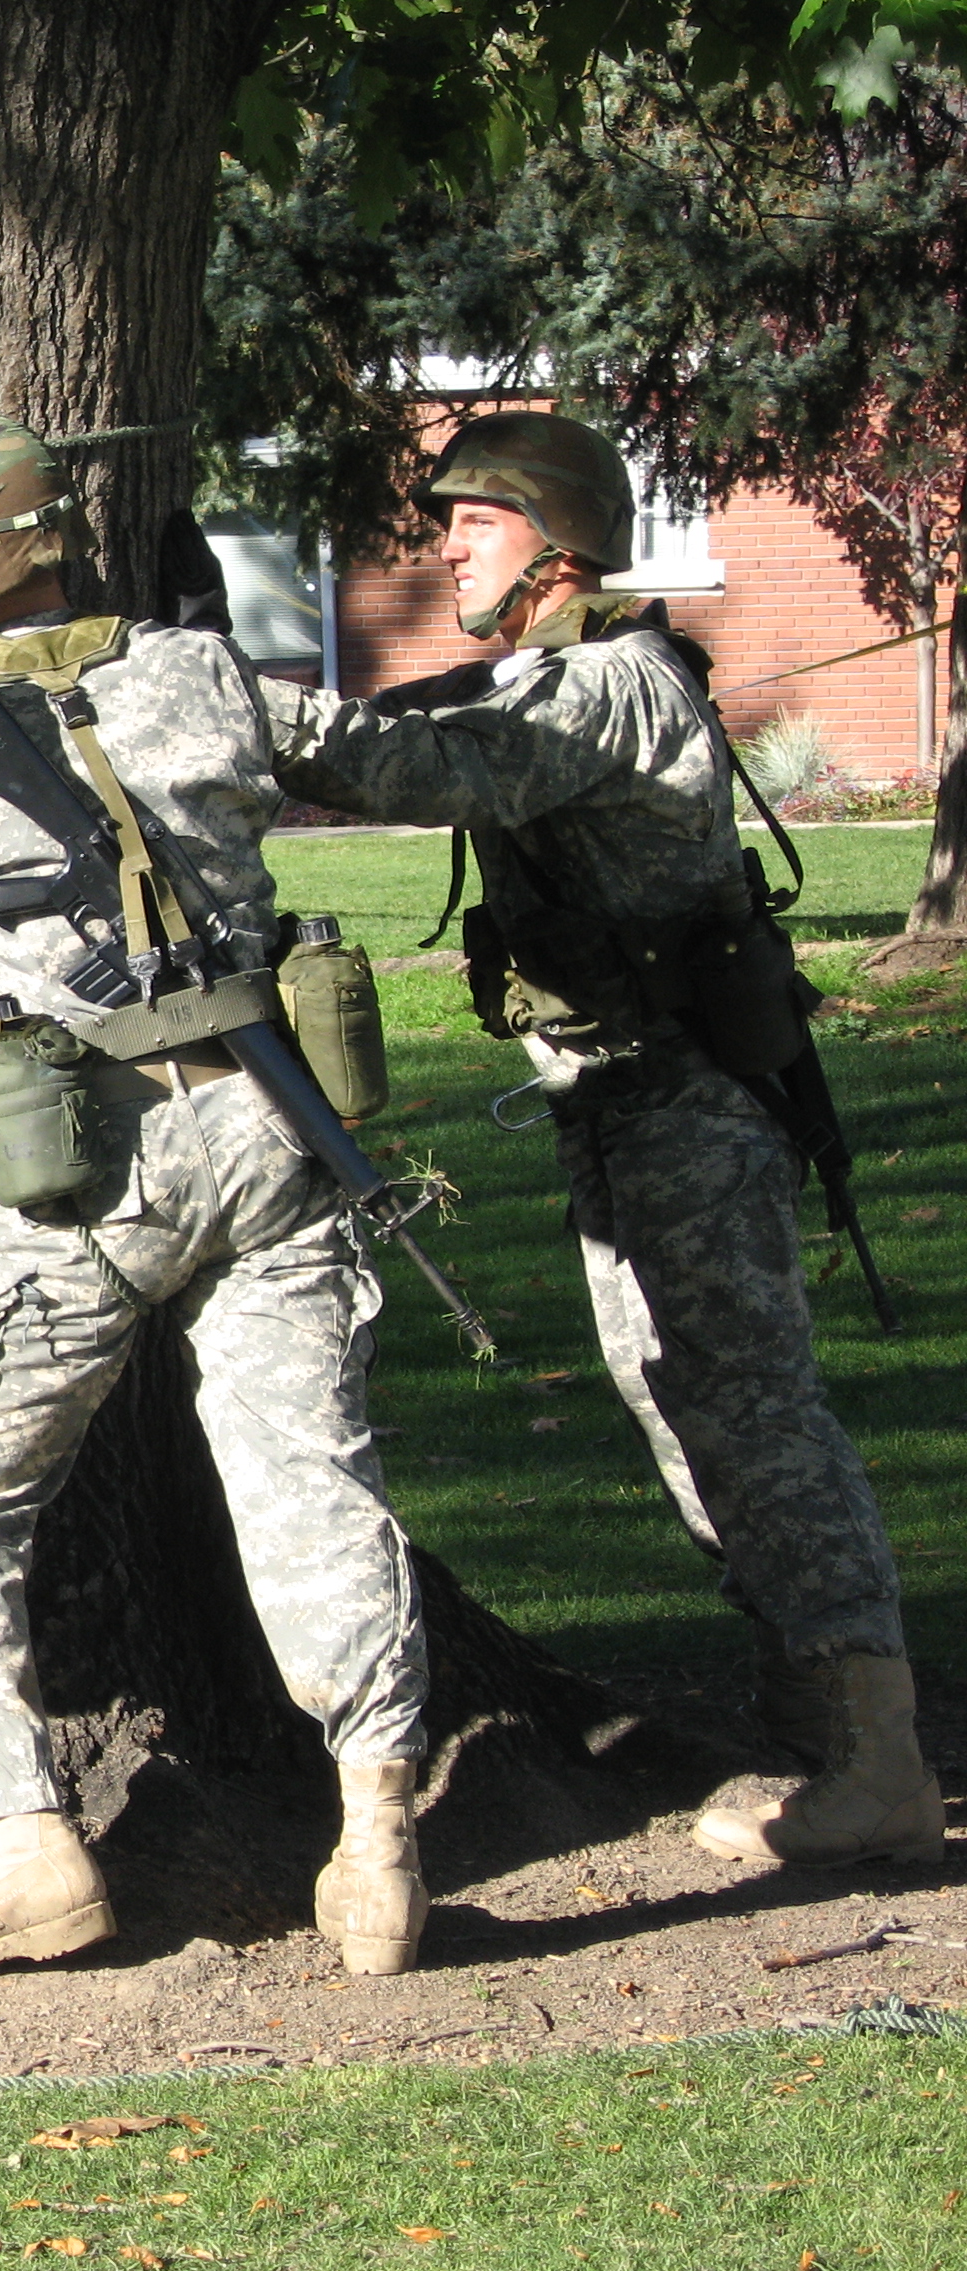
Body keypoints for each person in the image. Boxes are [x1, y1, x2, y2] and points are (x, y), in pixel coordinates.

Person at [0, 416, 437, 1979]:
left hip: (87, 1174)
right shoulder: (199, 677)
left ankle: (23, 1848)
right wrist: (196, 632)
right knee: (311, 1485)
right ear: (57, 537)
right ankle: (380, 1836)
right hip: (270, 1128)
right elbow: (332, 740)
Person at [257, 410, 943, 1869]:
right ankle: (824, 1742)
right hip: (627, 1102)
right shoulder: (559, 676)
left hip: (689, 1105)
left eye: (476, 523)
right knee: (684, 1405)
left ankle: (878, 1763)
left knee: (748, 1413)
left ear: (559, 550)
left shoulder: (610, 685)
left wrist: (206, 700)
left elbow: (417, 776)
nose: (444, 543)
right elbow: (449, 728)